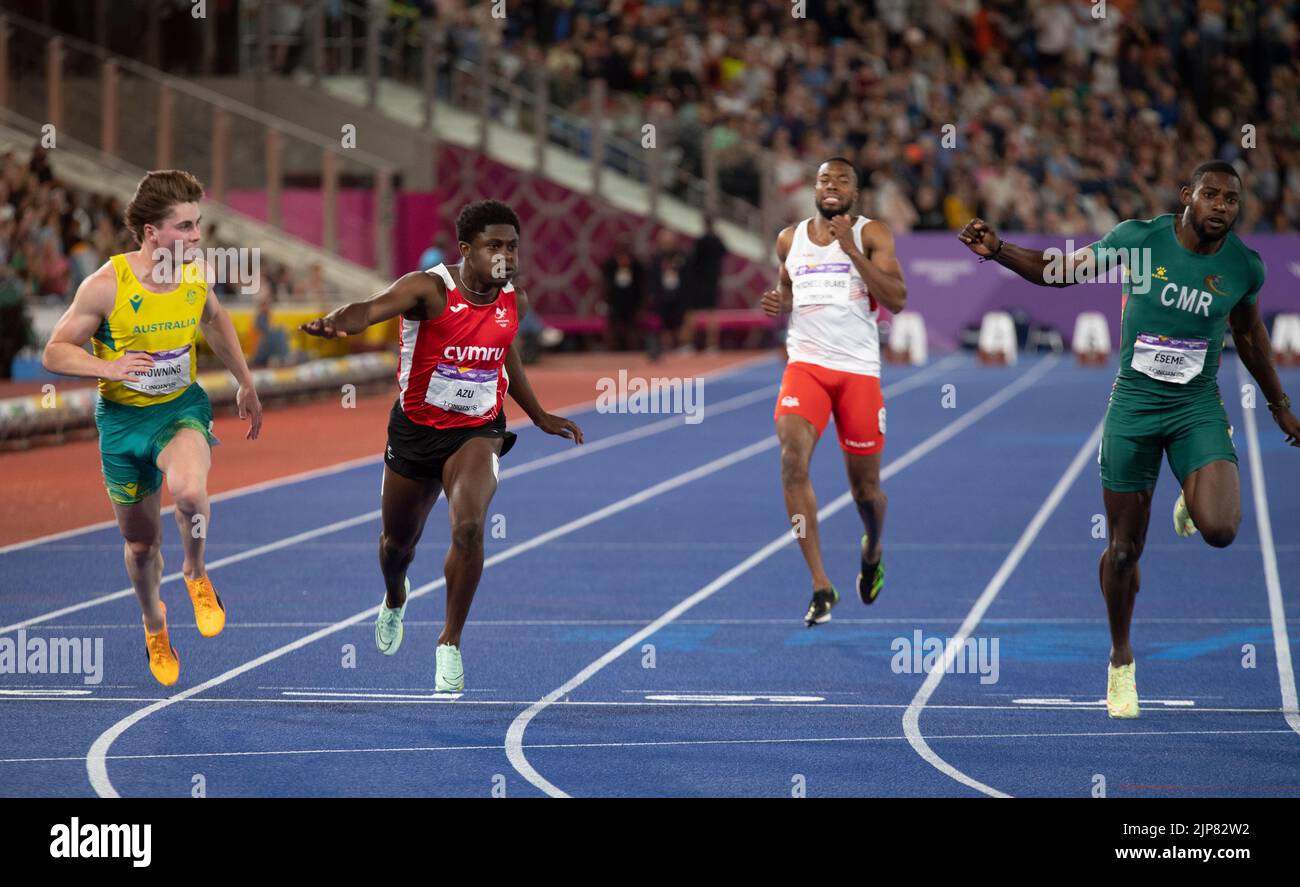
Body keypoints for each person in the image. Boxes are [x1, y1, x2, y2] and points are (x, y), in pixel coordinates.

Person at [958, 160, 1300, 718]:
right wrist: (998, 250)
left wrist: (1280, 405)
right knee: (1122, 550)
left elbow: (1250, 332)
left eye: (1232, 200)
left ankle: (1194, 494)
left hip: (1195, 406)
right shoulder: (1139, 241)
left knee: (1221, 528)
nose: (1222, 207)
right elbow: (1061, 270)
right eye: (1211, 195)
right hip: (1134, 409)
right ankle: (1121, 660)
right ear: (1186, 195)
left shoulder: (1244, 266)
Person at [300, 199, 584, 691]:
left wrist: (537, 415)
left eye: (513, 247)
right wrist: (336, 322)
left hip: (477, 431)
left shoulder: (516, 299)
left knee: (471, 527)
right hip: (415, 433)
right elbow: (368, 310)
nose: (505, 256)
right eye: (494, 246)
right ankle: (394, 598)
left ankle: (449, 643)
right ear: (466, 249)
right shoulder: (429, 289)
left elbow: (504, 350)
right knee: (396, 547)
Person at [42, 169, 264, 686]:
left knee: (189, 494)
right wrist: (109, 367)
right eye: (183, 227)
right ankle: (154, 622)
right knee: (141, 545)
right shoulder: (105, 286)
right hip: (122, 425)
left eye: (198, 225)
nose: (194, 237)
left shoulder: (195, 271)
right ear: (150, 233)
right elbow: (55, 350)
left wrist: (245, 381)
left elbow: (213, 319)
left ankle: (194, 572)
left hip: (178, 410)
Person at [761, 157, 908, 626]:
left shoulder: (871, 234)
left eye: (842, 179)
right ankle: (821, 584)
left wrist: (852, 251)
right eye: (824, 178)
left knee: (865, 491)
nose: (831, 185)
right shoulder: (790, 239)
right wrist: (778, 301)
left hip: (858, 372)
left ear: (854, 193)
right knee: (791, 460)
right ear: (815, 188)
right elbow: (787, 286)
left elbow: (897, 299)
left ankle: (873, 547)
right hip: (806, 367)